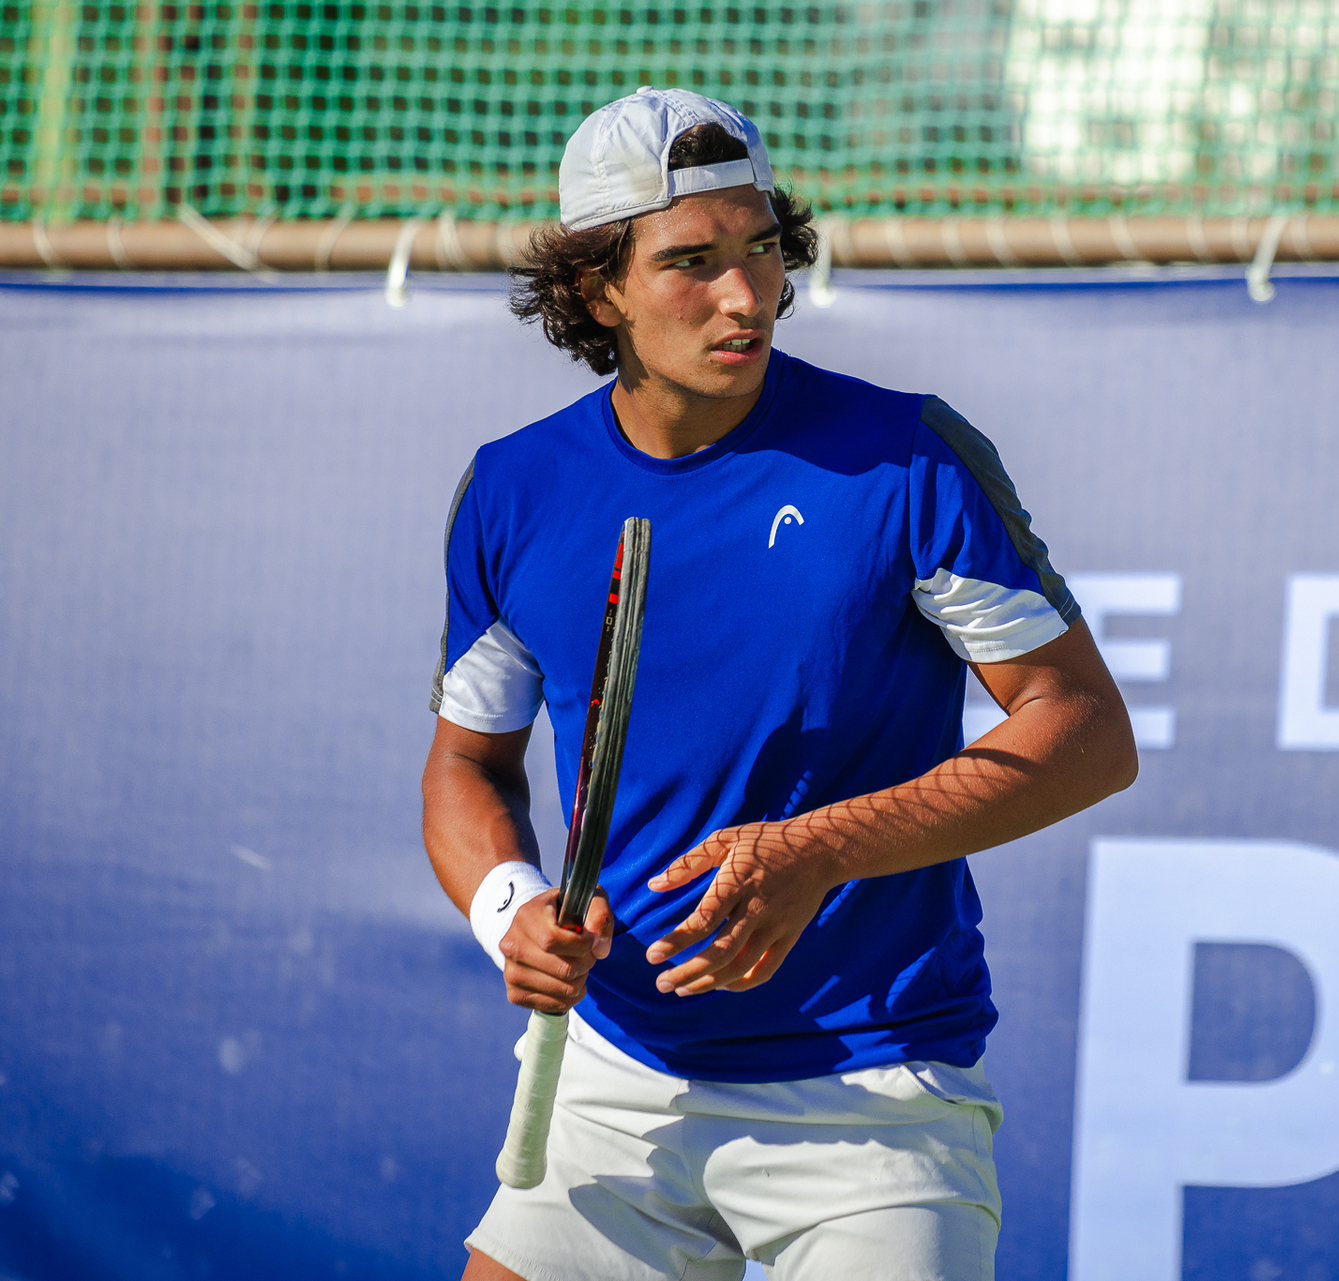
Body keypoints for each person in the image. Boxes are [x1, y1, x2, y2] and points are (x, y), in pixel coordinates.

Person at [422, 86, 1137, 1281]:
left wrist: (820, 848)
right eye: (691, 262)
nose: (746, 295)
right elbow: (467, 764)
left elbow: (1086, 730)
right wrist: (511, 912)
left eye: (761, 249)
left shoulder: (908, 458)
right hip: (610, 1080)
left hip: (876, 1092)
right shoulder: (511, 489)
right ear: (597, 289)